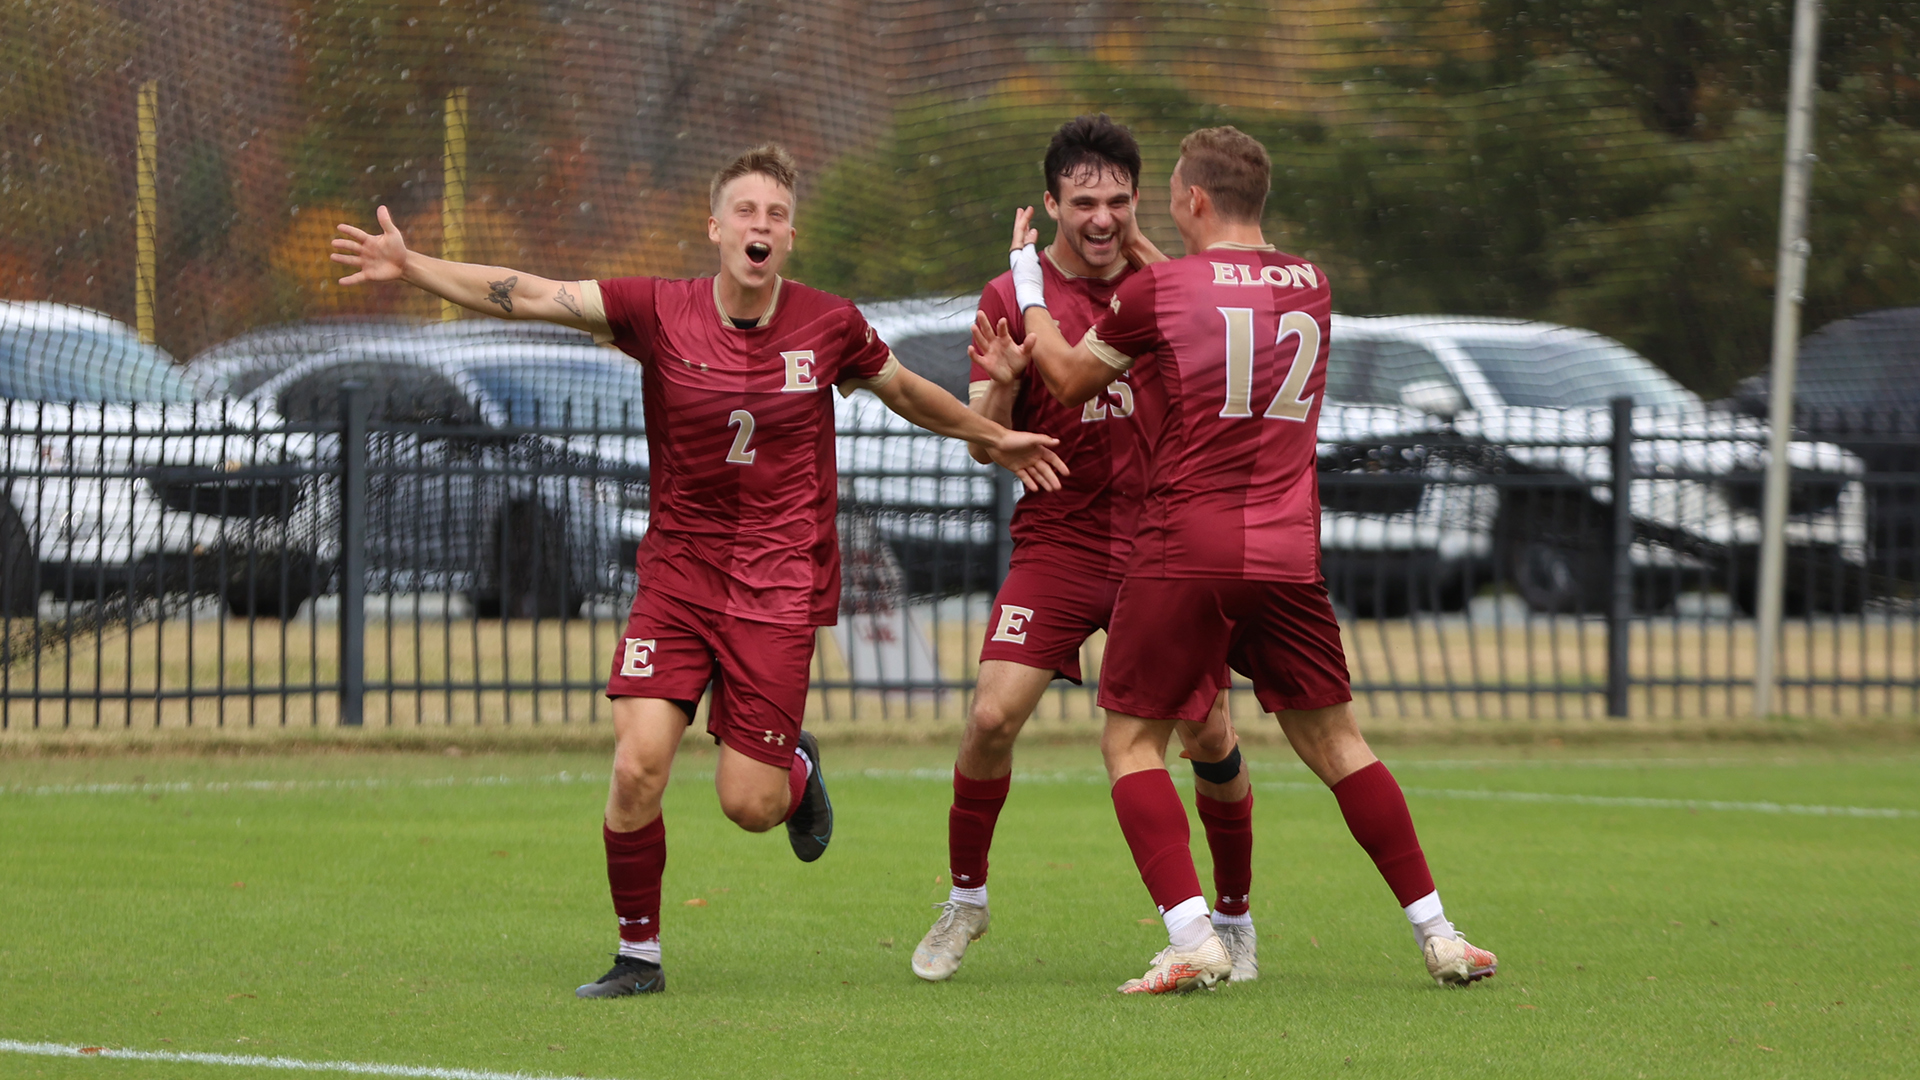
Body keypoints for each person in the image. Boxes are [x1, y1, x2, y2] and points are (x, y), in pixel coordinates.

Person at [331, 144, 1068, 998]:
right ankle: (637, 957)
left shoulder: (829, 324)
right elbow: (530, 291)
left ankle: (794, 767)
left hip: (780, 581)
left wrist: (993, 434)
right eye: (746, 212)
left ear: (790, 236)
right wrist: (409, 265)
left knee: (749, 807)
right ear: (715, 227)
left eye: (777, 215)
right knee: (638, 763)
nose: (761, 226)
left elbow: (902, 389)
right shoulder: (657, 311)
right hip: (678, 575)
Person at [1010, 126, 1499, 994]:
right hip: (1285, 554)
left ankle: (1193, 934)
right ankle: (1441, 933)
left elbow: (1066, 372)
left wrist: (1024, 281)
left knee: (1130, 744)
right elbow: (1214, 294)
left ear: (1193, 198)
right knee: (1340, 744)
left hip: (1184, 546)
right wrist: (1156, 258)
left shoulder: (1159, 290)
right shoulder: (1311, 284)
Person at [911, 115, 1259, 985]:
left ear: (1139, 201)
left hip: (1163, 543)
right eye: (1082, 203)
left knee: (1209, 732)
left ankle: (1235, 919)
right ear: (1053, 203)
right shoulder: (1011, 296)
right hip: (1060, 541)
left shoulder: (1178, 285)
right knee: (991, 717)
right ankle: (966, 901)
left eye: (1115, 201)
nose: (1100, 219)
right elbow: (981, 440)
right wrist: (1001, 383)